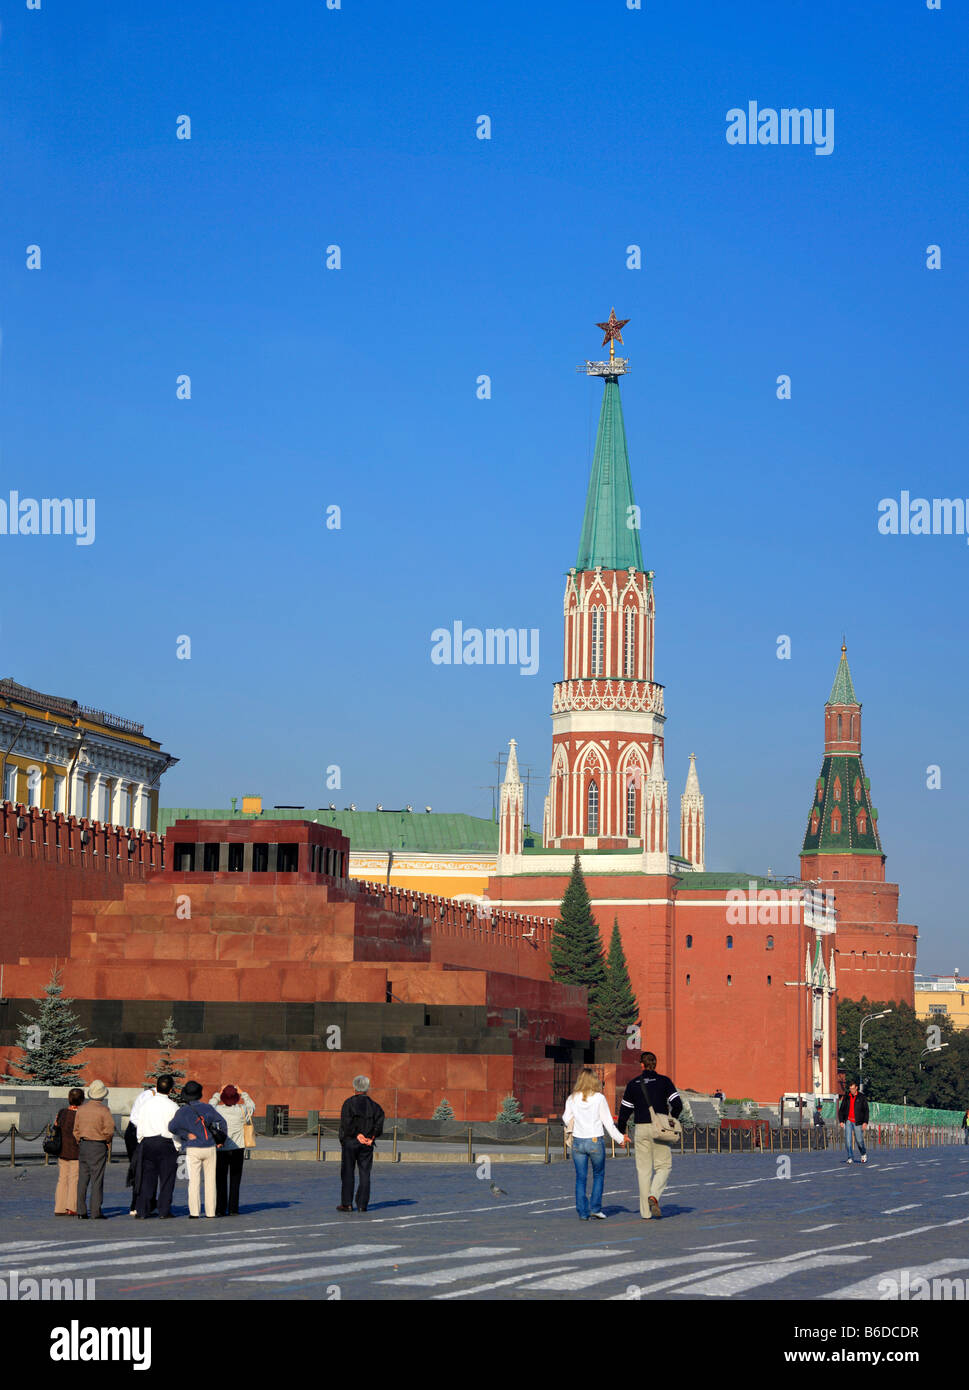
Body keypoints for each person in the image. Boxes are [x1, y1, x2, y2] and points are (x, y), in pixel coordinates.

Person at [617, 1050, 683, 1219]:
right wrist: (671, 1120)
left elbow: (624, 1112)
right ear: (655, 1064)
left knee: (643, 1170)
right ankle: (654, 1195)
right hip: (659, 1129)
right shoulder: (664, 1081)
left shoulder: (633, 1084)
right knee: (663, 1166)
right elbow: (678, 1104)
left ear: (641, 1065)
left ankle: (645, 1213)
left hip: (640, 1129)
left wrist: (621, 1132)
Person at [562, 1068, 626, 1220]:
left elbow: (565, 1118)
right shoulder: (599, 1098)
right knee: (598, 1175)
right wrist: (620, 1138)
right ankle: (595, 1208)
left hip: (578, 1141)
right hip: (595, 1140)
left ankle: (582, 1213)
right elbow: (608, 1122)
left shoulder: (572, 1098)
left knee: (580, 1177)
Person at [169, 1080, 226, 1218]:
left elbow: (172, 1127)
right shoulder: (208, 1108)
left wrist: (186, 1135)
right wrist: (220, 1140)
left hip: (193, 1148)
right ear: (199, 1094)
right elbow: (222, 1122)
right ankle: (211, 1212)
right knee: (210, 1181)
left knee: (193, 1181)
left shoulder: (182, 1111)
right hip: (210, 1147)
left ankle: (194, 1212)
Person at [134, 1075, 180, 1219]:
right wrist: (178, 1146)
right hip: (167, 1144)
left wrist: (141, 1139)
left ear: (156, 1086)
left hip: (148, 1142)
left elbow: (139, 1123)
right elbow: (176, 1129)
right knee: (167, 1179)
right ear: (171, 1090)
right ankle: (164, 1210)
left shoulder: (146, 1104)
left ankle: (143, 1210)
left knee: (147, 1177)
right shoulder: (174, 1106)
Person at [337, 1075, 384, 1213]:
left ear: (354, 1087)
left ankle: (347, 1203)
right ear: (367, 1088)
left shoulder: (348, 1103)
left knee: (347, 1173)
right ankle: (362, 1205)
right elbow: (379, 1123)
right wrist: (371, 1137)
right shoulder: (375, 1106)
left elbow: (346, 1123)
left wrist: (357, 1134)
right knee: (365, 1173)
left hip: (351, 1142)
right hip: (367, 1144)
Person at [73, 1080, 116, 1219]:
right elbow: (109, 1130)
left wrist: (80, 1140)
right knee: (97, 1179)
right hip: (98, 1145)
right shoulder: (104, 1110)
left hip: (84, 1145)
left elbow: (76, 1130)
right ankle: (95, 1211)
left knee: (82, 1179)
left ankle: (81, 1210)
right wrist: (107, 1141)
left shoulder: (81, 1109)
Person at [214, 1085, 248, 1216]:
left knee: (220, 1179)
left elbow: (210, 1104)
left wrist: (218, 1093)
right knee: (235, 1179)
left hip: (221, 1148)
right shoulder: (242, 1109)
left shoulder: (217, 1109)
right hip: (237, 1149)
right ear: (236, 1098)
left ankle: (220, 1208)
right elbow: (252, 1104)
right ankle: (233, 1208)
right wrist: (242, 1092)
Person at [126, 1083, 157, 1216]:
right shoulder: (152, 1098)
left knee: (138, 1169)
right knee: (143, 1170)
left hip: (133, 1131)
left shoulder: (147, 1095)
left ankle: (141, 1203)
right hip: (141, 1134)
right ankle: (139, 1204)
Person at [52, 1088, 84, 1216]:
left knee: (62, 1179)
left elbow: (55, 1127)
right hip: (76, 1151)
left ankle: (59, 1207)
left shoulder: (62, 1112)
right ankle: (71, 1207)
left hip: (62, 1150)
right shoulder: (81, 1114)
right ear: (82, 1100)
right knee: (74, 1179)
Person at [838, 1082, 869, 1165]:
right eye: (850, 1089)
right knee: (848, 1140)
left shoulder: (862, 1097)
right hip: (848, 1121)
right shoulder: (846, 1097)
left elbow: (866, 1110)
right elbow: (841, 1110)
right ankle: (850, 1157)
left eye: (852, 1088)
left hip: (858, 1122)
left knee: (859, 1140)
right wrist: (841, 1121)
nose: (851, 1090)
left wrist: (865, 1122)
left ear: (856, 1088)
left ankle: (863, 1153)